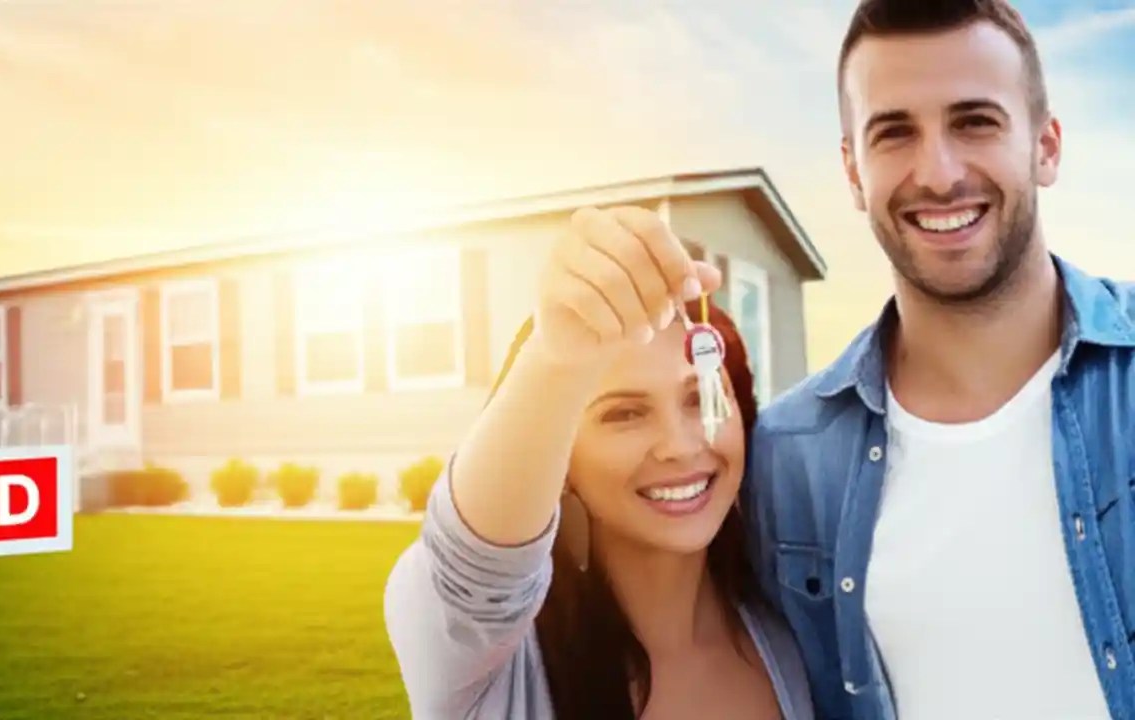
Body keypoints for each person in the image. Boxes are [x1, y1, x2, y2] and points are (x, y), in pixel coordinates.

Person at [742, 1, 1135, 718]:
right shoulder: (783, 463)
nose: (939, 172)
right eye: (894, 133)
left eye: (974, 122)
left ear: (1045, 146)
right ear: (853, 172)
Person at [383, 206, 814, 719]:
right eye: (625, 414)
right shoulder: (481, 660)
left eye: (701, 399)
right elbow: (472, 570)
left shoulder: (790, 636)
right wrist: (556, 354)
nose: (678, 445)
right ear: (560, 459)